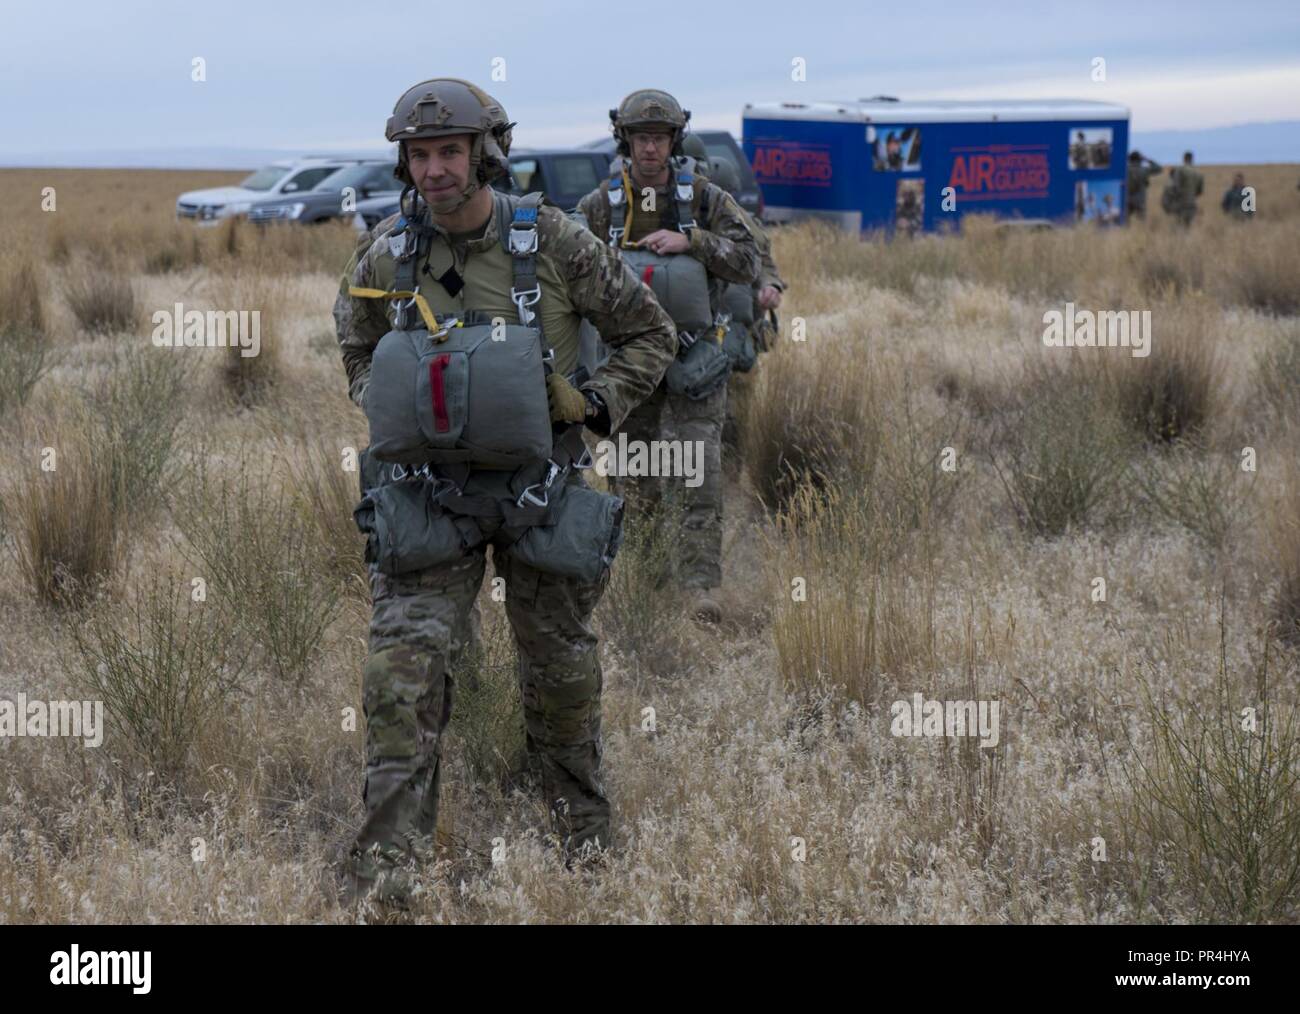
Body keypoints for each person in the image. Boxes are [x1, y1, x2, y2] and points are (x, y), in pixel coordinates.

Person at [332, 77, 676, 905]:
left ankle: (585, 858)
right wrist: (395, 395)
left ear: (485, 154)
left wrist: (591, 403)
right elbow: (354, 344)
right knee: (399, 681)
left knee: (560, 676)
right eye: (420, 155)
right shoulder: (386, 254)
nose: (436, 170)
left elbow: (649, 332)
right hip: (425, 497)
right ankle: (388, 884)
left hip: (543, 490)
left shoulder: (554, 242)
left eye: (451, 151)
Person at [577, 89, 759, 623]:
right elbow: (565, 274)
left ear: (674, 141)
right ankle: (645, 594)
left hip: (695, 361)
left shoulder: (703, 199)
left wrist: (693, 243)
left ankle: (701, 594)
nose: (649, 148)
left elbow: (749, 260)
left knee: (698, 477)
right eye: (640, 138)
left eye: (658, 138)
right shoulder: (601, 205)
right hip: (631, 367)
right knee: (635, 484)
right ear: (625, 141)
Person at [1162, 151, 1204, 227]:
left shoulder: (1180, 170)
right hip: (1191, 204)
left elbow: (1175, 187)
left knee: (1178, 227)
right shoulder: (1199, 173)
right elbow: (1199, 191)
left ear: (1184, 159)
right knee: (1188, 227)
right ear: (1192, 159)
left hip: (1180, 204)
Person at [1125, 150, 1162, 219]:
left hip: (1127, 198)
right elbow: (1159, 169)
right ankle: (1140, 230)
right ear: (1140, 160)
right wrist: (1147, 159)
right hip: (1140, 199)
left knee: (1125, 221)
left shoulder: (1125, 170)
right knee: (1141, 221)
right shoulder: (1144, 170)